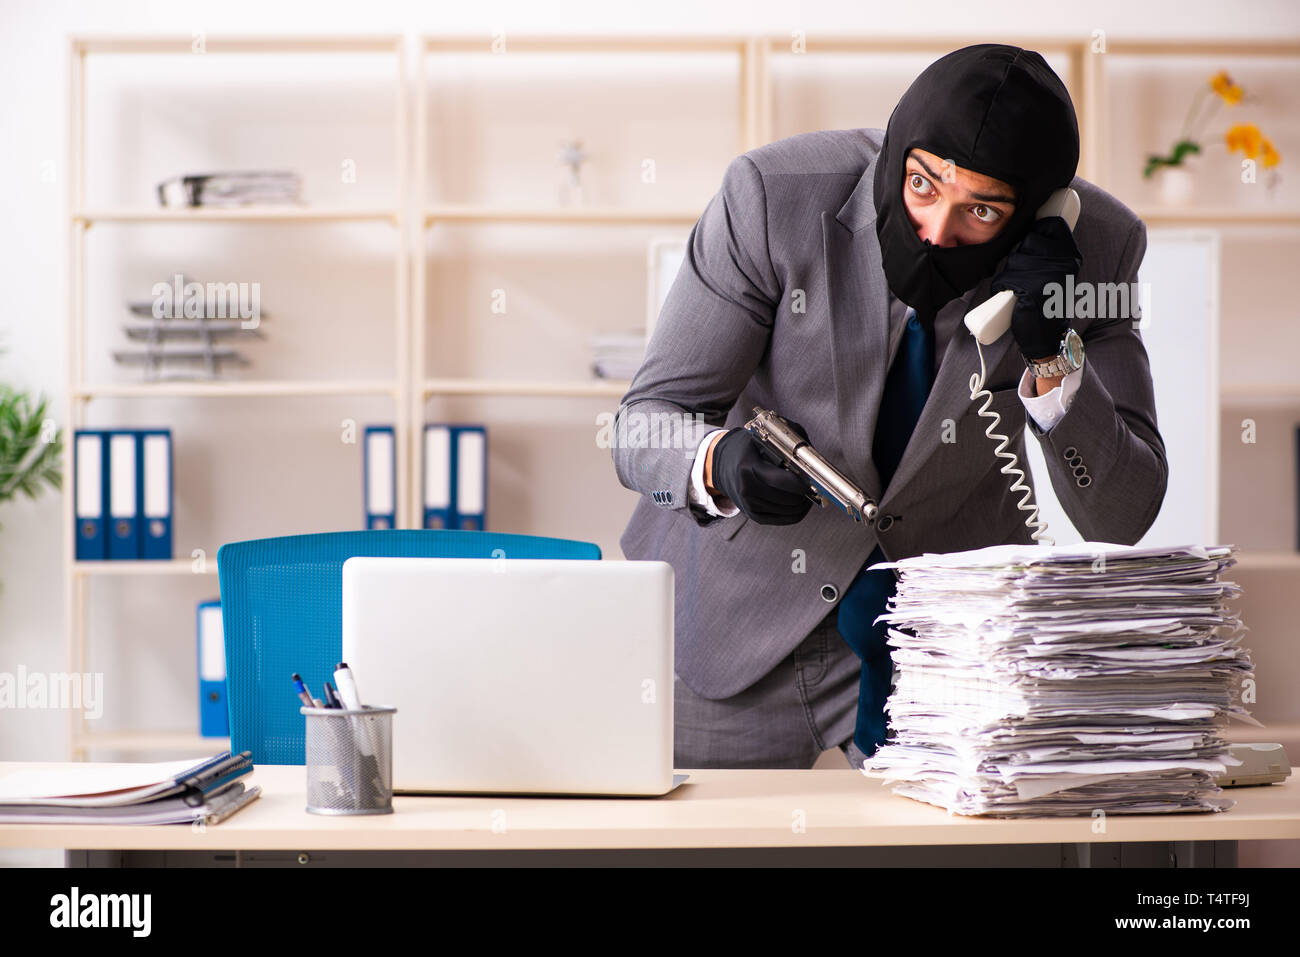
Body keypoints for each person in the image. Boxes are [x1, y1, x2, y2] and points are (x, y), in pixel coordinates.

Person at [611, 44, 1166, 771]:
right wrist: (717, 460)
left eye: (982, 209)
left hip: (948, 650)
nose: (938, 230)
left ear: (1037, 216)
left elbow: (1122, 514)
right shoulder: (772, 198)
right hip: (737, 625)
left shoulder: (1100, 248)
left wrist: (1051, 347)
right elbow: (645, 420)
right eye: (923, 185)